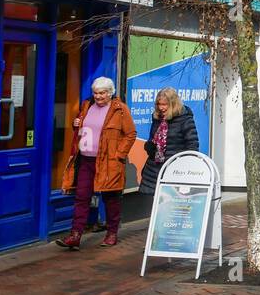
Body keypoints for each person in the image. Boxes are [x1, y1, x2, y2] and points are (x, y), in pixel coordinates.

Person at [56, 77, 137, 249]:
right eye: (95, 93)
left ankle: (112, 233)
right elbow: (83, 128)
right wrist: (75, 123)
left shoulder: (119, 109)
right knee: (81, 197)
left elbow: (130, 134)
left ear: (110, 93)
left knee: (110, 198)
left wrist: (118, 154)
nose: (98, 96)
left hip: (108, 161)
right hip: (85, 159)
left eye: (102, 93)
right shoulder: (87, 105)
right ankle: (75, 235)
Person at [139, 87, 200, 197]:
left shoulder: (185, 119)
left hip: (175, 169)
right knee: (153, 204)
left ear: (173, 104)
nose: (161, 108)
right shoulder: (157, 118)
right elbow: (152, 138)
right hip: (154, 170)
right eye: (159, 104)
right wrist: (149, 147)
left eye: (164, 104)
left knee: (172, 202)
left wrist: (185, 168)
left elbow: (192, 145)